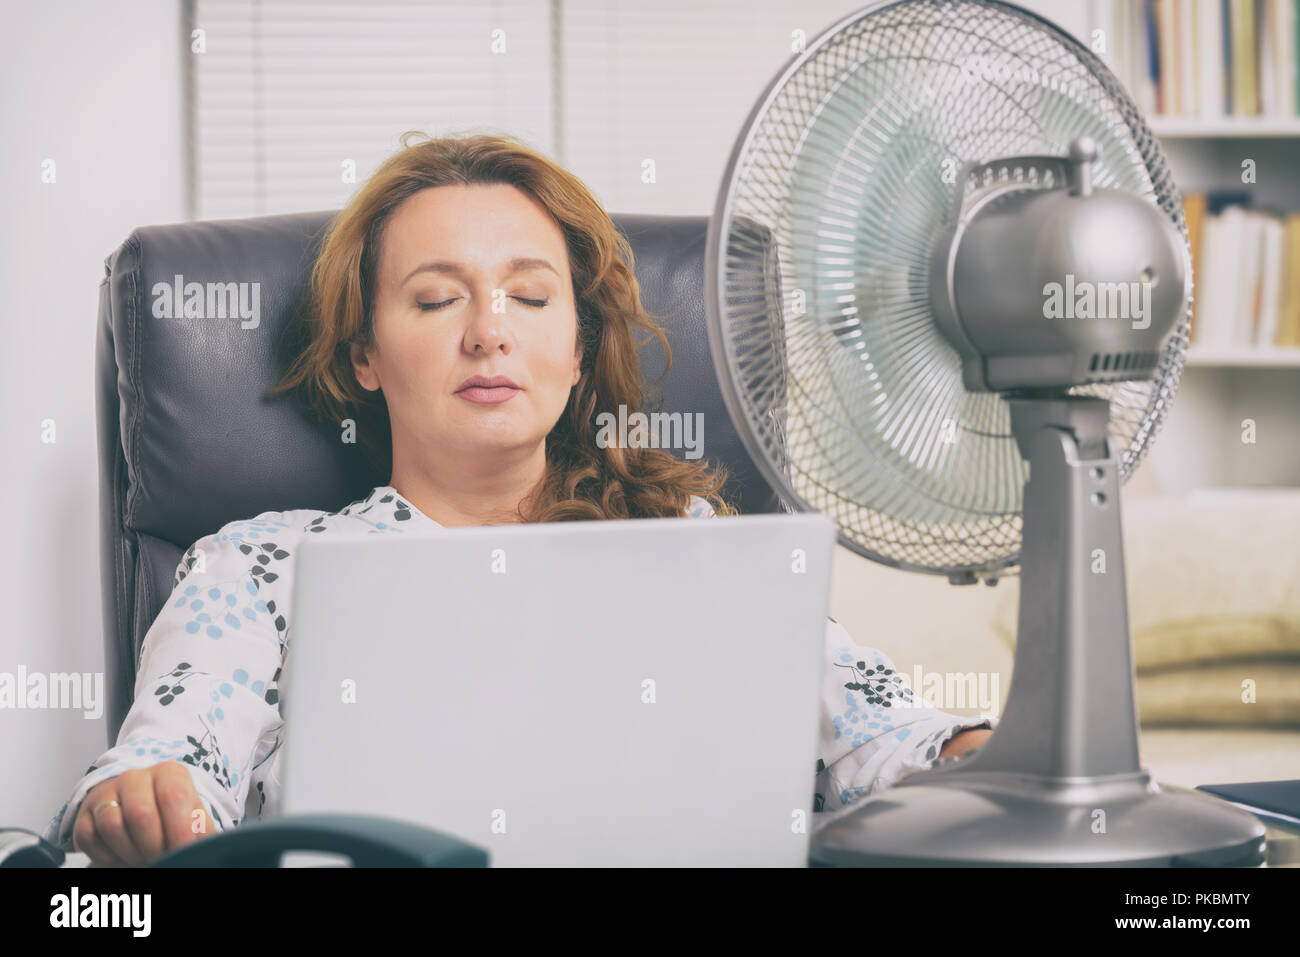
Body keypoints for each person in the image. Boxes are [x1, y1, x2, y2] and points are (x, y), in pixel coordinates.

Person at [45, 131, 995, 866]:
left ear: (578, 353)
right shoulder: (255, 566)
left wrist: (973, 752)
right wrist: (142, 798)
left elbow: (877, 730)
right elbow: (171, 754)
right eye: (435, 299)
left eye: (530, 298)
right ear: (364, 355)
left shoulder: (688, 541)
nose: (489, 333)